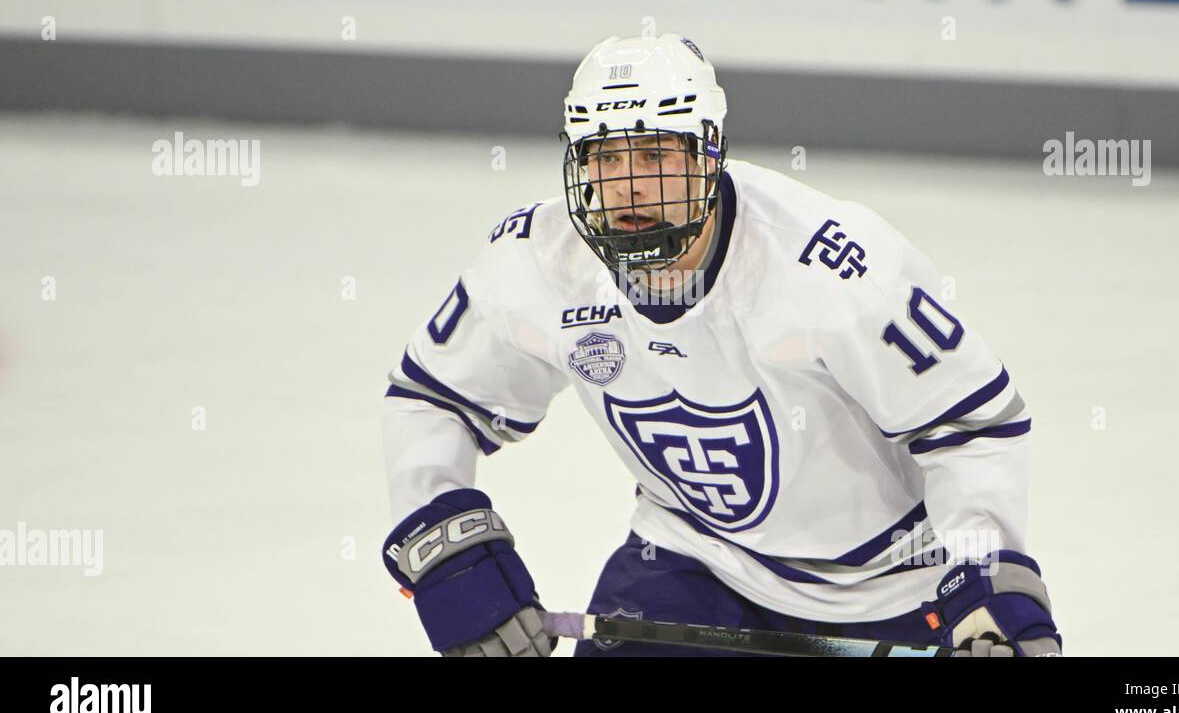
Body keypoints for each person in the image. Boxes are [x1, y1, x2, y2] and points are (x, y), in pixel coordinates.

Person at [379, 33, 1062, 657]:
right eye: (605, 156)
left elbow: (971, 427)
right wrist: (444, 543)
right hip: (689, 560)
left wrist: (986, 574)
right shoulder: (537, 261)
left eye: (653, 153)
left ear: (709, 153)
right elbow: (432, 398)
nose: (629, 186)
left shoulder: (832, 270)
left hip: (887, 591)